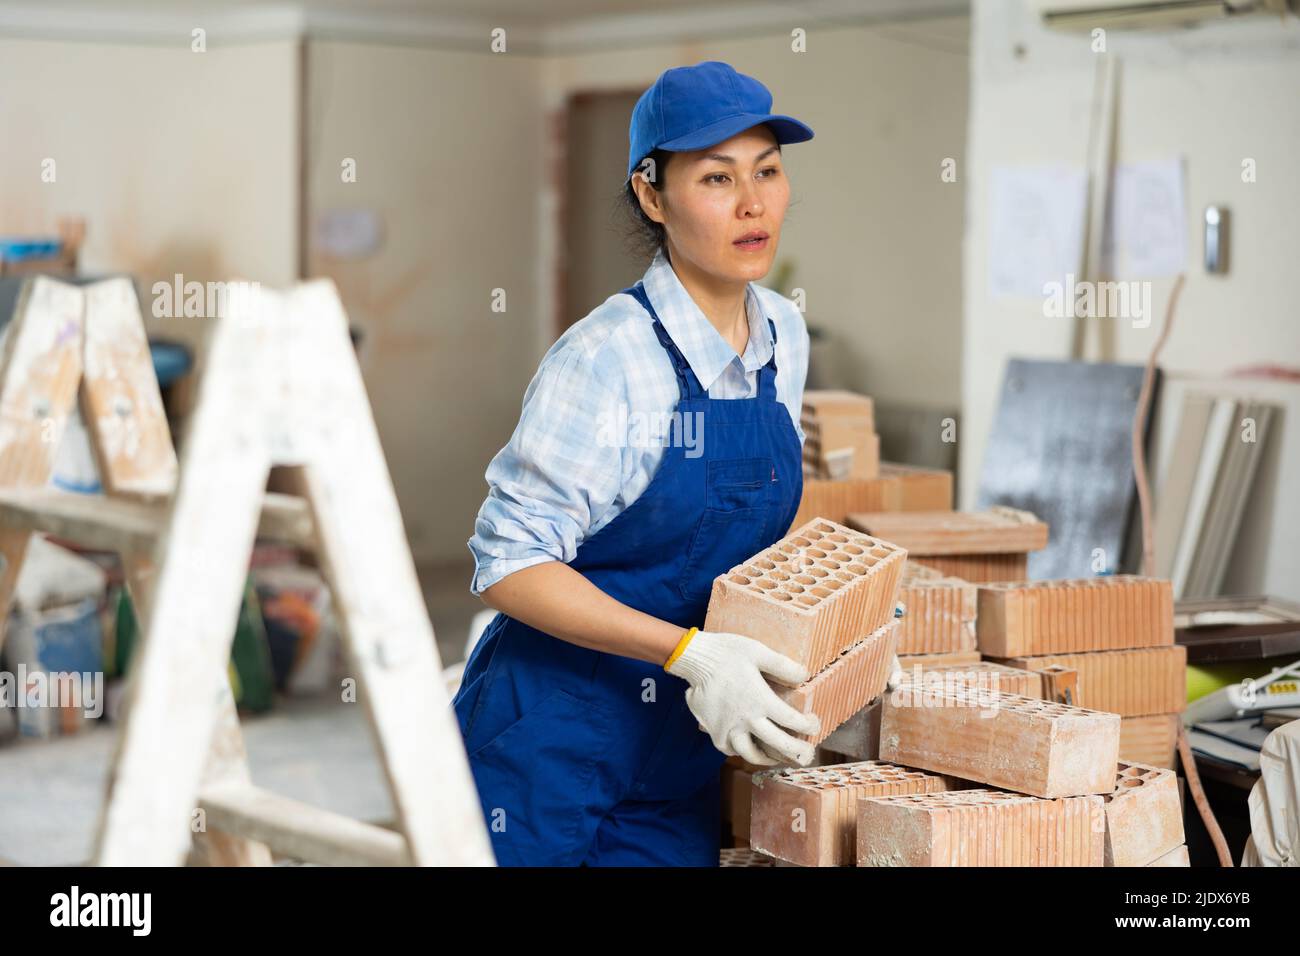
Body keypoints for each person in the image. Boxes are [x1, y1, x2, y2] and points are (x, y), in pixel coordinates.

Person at [453, 61, 818, 866]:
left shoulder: (783, 336)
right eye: (717, 178)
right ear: (653, 197)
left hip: (677, 745)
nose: (753, 203)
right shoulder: (607, 359)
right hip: (547, 743)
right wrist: (689, 654)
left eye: (768, 171)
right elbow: (508, 563)